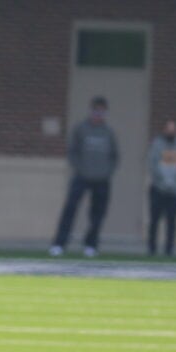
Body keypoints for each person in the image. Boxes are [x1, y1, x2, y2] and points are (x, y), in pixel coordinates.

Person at [49, 96, 119, 258]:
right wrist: (80, 169)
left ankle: (91, 245)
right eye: (96, 110)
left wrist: (106, 171)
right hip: (81, 177)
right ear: (91, 110)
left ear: (105, 113)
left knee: (98, 214)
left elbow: (115, 156)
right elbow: (72, 152)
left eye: (101, 111)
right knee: (70, 209)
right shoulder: (81, 129)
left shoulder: (108, 132)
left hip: (101, 179)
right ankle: (59, 244)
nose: (98, 114)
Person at [146, 119, 176, 256]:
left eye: (173, 129)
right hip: (158, 189)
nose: (171, 132)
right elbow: (152, 164)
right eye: (168, 129)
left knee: (172, 223)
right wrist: (161, 180)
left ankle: (169, 250)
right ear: (164, 130)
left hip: (175, 191)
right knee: (154, 221)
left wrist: (175, 180)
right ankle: (152, 250)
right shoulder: (157, 144)